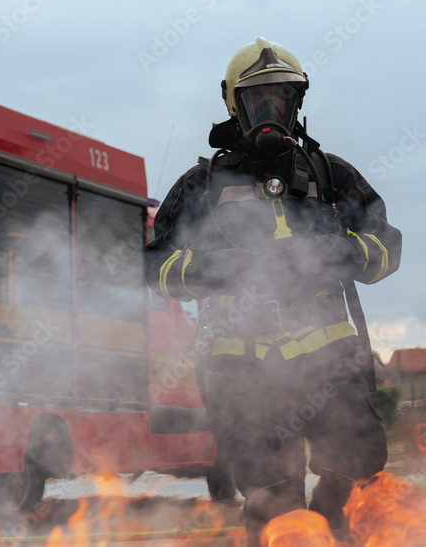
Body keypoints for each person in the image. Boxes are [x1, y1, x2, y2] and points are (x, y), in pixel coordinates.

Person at [144, 38, 401, 544]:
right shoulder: (201, 186)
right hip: (241, 372)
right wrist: (210, 267)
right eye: (257, 99)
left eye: (280, 98)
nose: (270, 110)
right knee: (275, 501)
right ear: (234, 104)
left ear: (295, 103)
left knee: (355, 474)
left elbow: (387, 246)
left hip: (329, 363)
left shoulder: (331, 176)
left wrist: (346, 251)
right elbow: (154, 266)